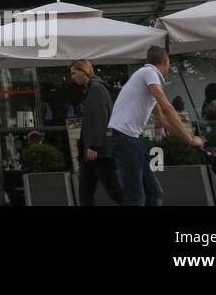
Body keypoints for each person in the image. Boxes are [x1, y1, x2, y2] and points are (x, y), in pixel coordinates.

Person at [106, 47, 203, 206]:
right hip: (125, 139)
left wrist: (187, 139)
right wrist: (191, 139)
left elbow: (161, 119)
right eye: (169, 64)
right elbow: (167, 108)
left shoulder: (145, 77)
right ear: (166, 62)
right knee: (135, 198)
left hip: (131, 139)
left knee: (153, 192)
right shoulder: (149, 73)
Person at [70, 58, 122, 206]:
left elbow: (100, 118)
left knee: (115, 190)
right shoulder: (93, 89)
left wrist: (94, 146)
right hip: (92, 152)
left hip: (99, 152)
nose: (72, 77)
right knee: (85, 193)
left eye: (74, 73)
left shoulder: (96, 89)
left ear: (83, 71)